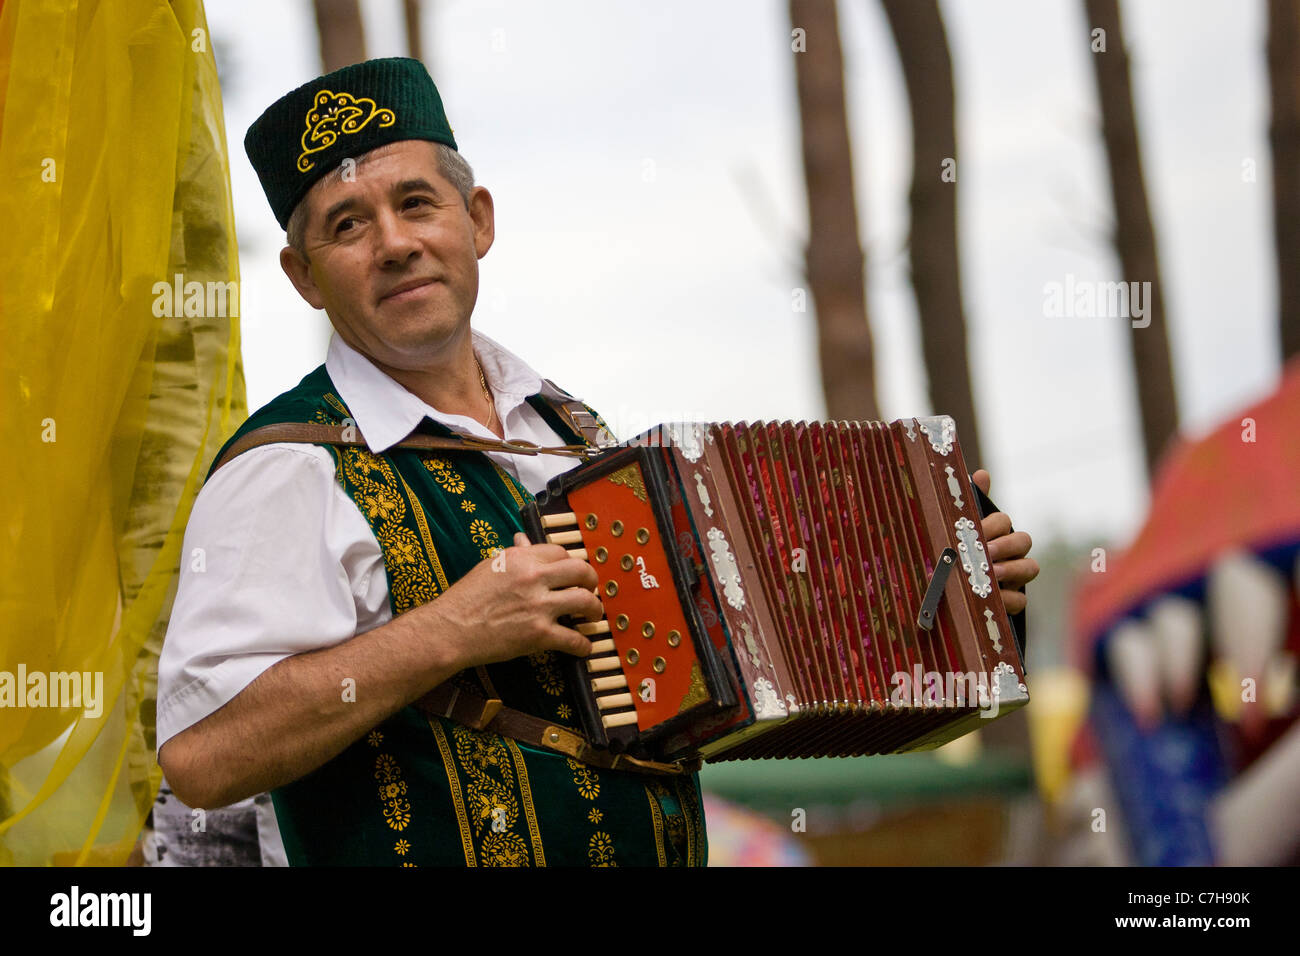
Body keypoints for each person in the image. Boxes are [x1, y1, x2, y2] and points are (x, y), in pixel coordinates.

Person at [155, 57, 1039, 867]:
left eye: (417, 203)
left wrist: (949, 600)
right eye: (349, 224)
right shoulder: (287, 467)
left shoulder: (576, 436)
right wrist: (451, 629)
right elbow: (202, 755)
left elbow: (730, 684)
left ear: (478, 221)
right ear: (305, 278)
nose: (394, 242)